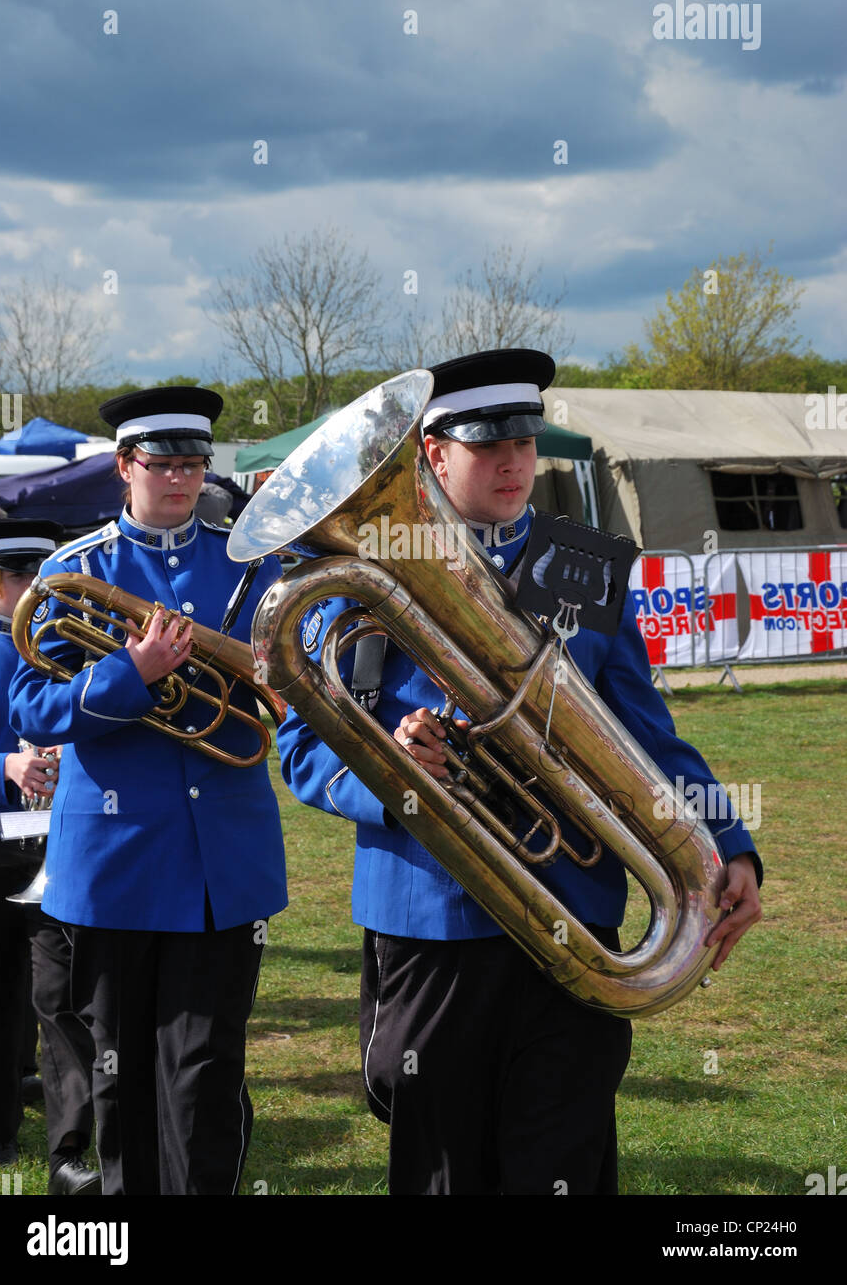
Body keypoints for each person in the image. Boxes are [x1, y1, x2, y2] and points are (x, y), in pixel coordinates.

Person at [277, 349, 763, 1196]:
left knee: (563, 1159)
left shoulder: (590, 563)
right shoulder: (357, 570)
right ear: (432, 452)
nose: (512, 462)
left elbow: (649, 735)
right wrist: (391, 770)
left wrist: (728, 838)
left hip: (574, 914)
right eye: (485, 442)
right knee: (440, 1170)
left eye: (525, 440)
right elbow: (305, 750)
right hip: (431, 923)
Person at [10, 387, 287, 1195]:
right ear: (125, 467)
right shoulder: (75, 570)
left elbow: (293, 682)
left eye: (194, 464)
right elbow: (33, 707)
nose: (181, 481)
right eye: (162, 465)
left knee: (206, 1075)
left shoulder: (251, 565)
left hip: (222, 864)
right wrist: (131, 675)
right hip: (116, 863)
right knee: (120, 1074)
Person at [0, 517, 63, 1167]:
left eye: (39, 573)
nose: (31, 586)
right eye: (16, 576)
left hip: (58, 841)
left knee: (62, 999)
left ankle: (71, 1144)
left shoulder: (61, 648)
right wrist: (1, 767)